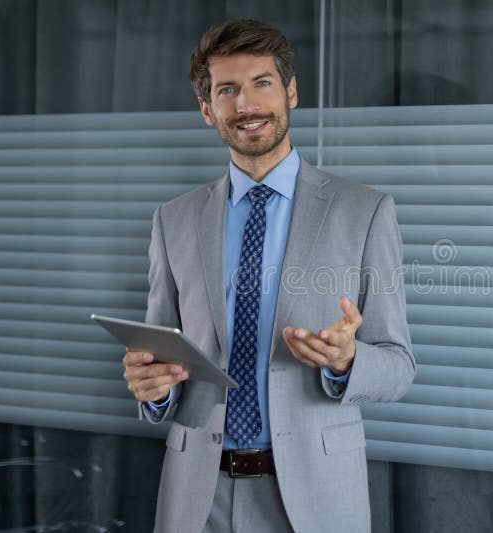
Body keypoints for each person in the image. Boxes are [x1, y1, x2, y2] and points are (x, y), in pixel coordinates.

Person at [121, 18, 415, 533]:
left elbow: (399, 366)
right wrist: (154, 386)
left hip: (314, 498)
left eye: (262, 83)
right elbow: (161, 352)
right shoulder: (173, 220)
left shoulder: (365, 211)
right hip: (198, 497)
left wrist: (346, 361)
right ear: (207, 109)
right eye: (227, 90)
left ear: (291, 92)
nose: (246, 104)